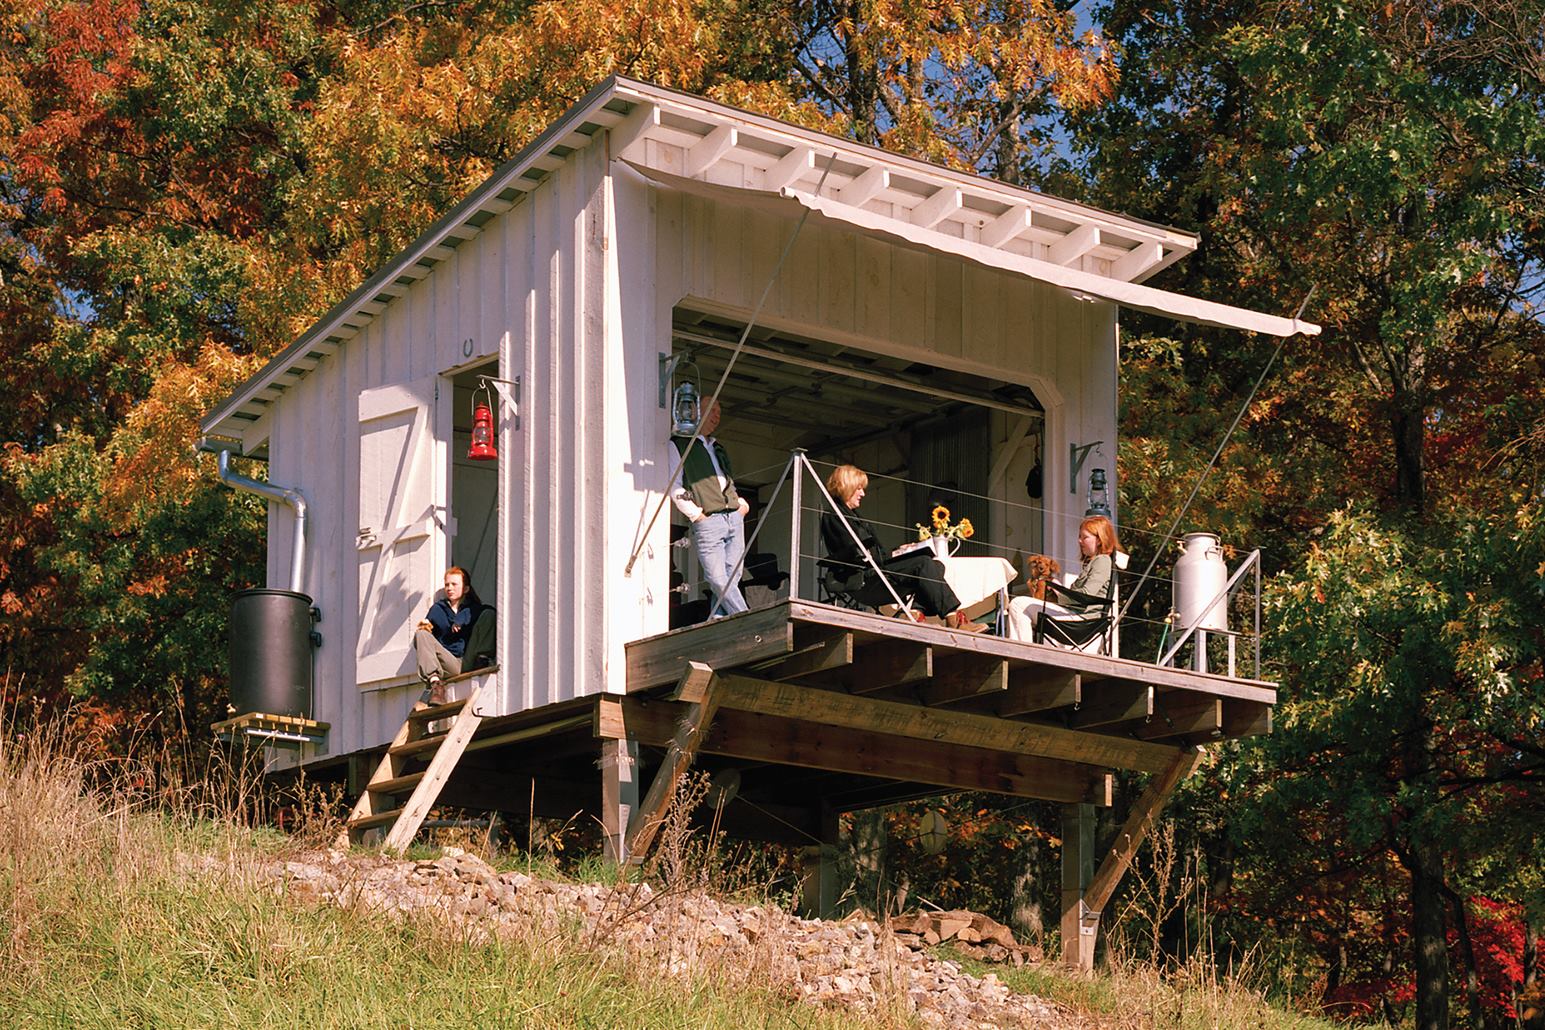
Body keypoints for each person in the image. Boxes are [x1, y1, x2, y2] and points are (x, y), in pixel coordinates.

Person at [819, 464, 985, 631]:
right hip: (864, 578)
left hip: (877, 569)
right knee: (923, 563)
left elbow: (875, 553)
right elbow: (854, 552)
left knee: (936, 565)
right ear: (847, 487)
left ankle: (915, 614)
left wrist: (899, 551)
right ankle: (954, 618)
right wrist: (886, 556)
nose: (863, 494)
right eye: (859, 489)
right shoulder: (834, 516)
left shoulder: (852, 515)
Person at [670, 399, 751, 618]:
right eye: (712, 410)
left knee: (731, 576)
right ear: (696, 411)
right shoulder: (679, 444)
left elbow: (727, 479)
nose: (717, 416)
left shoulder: (717, 446)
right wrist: (696, 515)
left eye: (719, 412)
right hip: (709, 520)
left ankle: (717, 620)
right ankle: (744, 616)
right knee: (717, 577)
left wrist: (741, 504)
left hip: (733, 516)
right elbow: (674, 486)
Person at [1005, 515, 1122, 643]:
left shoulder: (1102, 560)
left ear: (1099, 540)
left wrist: (1059, 591)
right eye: (1079, 537)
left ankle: (1023, 653)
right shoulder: (1093, 562)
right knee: (1024, 605)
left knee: (1018, 604)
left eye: (1085, 537)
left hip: (1082, 620)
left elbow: (1086, 596)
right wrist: (1058, 587)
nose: (1079, 541)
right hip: (1076, 616)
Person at [414, 566, 488, 704]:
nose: (449, 588)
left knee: (488, 615)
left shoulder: (473, 609)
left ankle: (483, 660)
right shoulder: (437, 609)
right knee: (421, 634)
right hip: (449, 663)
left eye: (454, 584)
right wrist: (426, 627)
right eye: (447, 584)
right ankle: (436, 685)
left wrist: (462, 618)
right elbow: (424, 637)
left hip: (469, 660)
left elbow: (488, 612)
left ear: (465, 589)